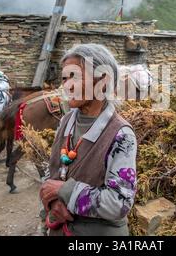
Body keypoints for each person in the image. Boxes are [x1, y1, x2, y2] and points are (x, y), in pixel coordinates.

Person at [39, 43, 137, 236]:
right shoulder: (66, 121)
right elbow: (52, 171)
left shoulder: (121, 134)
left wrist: (65, 191)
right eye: (65, 78)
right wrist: (53, 201)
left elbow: (120, 203)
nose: (66, 86)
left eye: (75, 77)